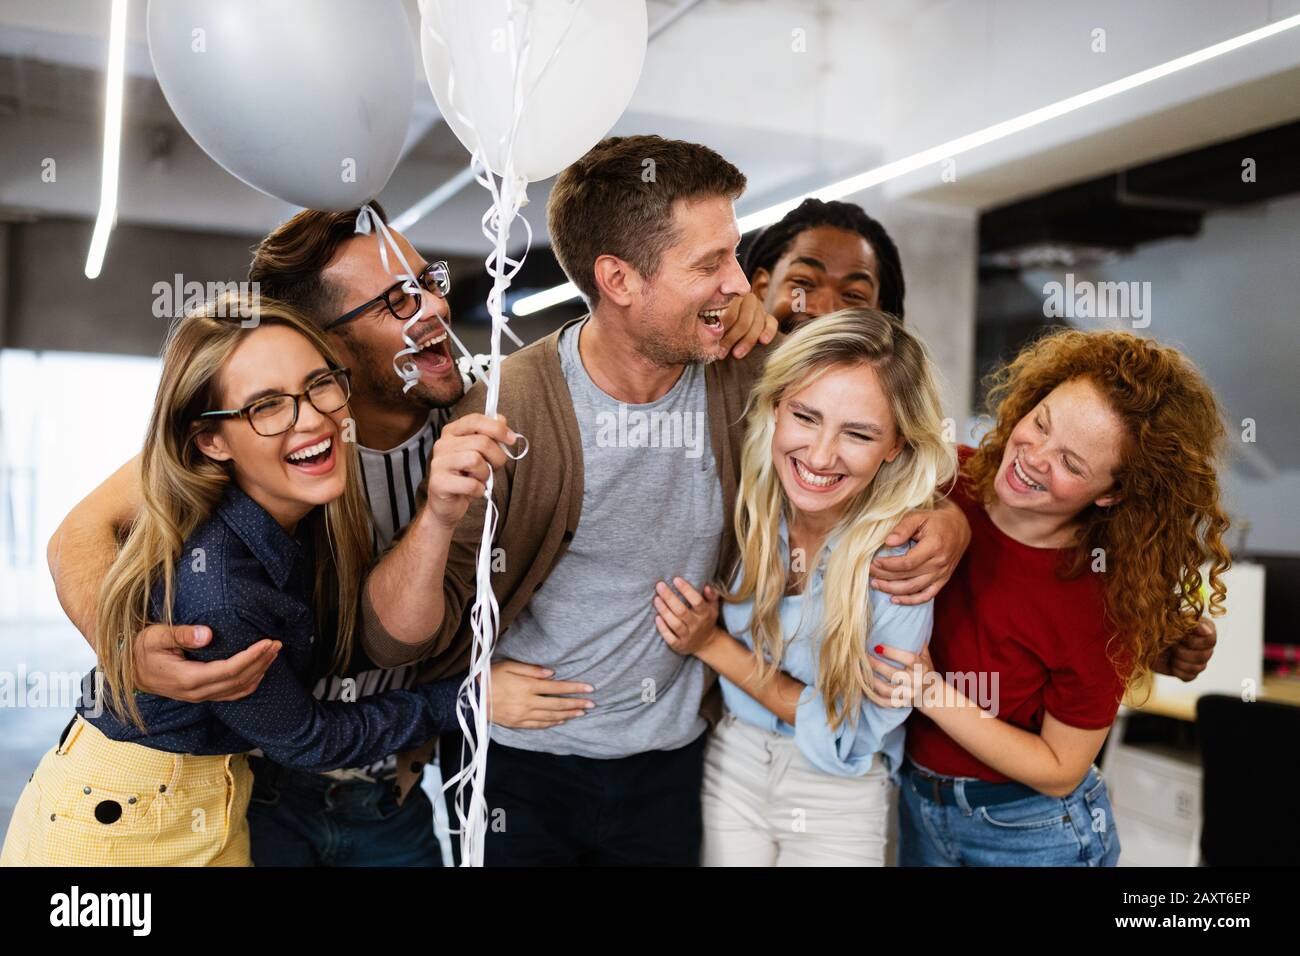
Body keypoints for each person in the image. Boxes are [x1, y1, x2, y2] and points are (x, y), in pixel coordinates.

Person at [45, 201, 777, 867]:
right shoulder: (269, 437)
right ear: (316, 341)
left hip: (393, 787)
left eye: (425, 279)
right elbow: (78, 533)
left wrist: (727, 316)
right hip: (257, 784)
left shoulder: (487, 406)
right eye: (396, 300)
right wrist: (125, 650)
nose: (433, 305)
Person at [360, 135, 972, 866]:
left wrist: (948, 518)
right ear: (619, 279)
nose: (741, 285)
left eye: (734, 256)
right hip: (521, 769)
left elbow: (878, 443)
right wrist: (463, 680)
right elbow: (395, 636)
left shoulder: (750, 380)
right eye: (709, 263)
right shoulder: (507, 405)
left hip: (677, 765)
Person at [1, 299, 466, 867]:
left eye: (319, 383)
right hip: (122, 833)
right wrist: (470, 701)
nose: (312, 419)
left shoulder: (280, 519)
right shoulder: (221, 591)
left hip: (202, 801)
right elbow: (307, 739)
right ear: (211, 441)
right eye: (266, 406)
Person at [870, 329, 1232, 866]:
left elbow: (1062, 767)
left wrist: (929, 691)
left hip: (1032, 831)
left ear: (1110, 494)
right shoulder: (943, 478)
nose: (1035, 457)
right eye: (1039, 423)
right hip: (920, 802)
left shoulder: (1101, 600)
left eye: (1072, 464)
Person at [652, 309, 954, 865]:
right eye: (806, 416)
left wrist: (713, 646)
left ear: (895, 447)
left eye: (858, 433)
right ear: (775, 405)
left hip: (840, 789)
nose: (819, 456)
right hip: (733, 756)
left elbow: (853, 727)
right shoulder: (748, 498)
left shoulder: (901, 557)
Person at [744, 197, 906, 329]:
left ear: (881, 314)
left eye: (853, 295)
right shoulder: (722, 364)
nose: (824, 312)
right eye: (803, 282)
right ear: (761, 287)